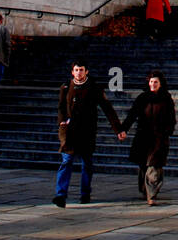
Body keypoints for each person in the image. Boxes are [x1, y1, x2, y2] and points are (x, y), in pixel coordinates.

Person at [54, 59, 125, 207]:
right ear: (72, 72)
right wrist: (62, 121)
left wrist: (118, 128)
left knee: (87, 162)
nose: (78, 73)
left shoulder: (94, 87)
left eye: (81, 70)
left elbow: (107, 108)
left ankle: (85, 193)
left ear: (86, 71)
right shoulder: (66, 87)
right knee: (66, 160)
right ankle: (60, 195)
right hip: (70, 130)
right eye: (76, 70)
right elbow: (61, 106)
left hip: (87, 130)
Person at [121, 71, 177, 205]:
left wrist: (167, 131)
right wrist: (123, 129)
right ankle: (144, 190)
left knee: (154, 165)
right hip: (143, 136)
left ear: (161, 84)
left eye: (156, 82)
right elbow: (132, 114)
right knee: (143, 165)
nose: (153, 84)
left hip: (159, 137)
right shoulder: (142, 98)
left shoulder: (166, 98)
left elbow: (171, 118)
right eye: (151, 82)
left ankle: (151, 194)